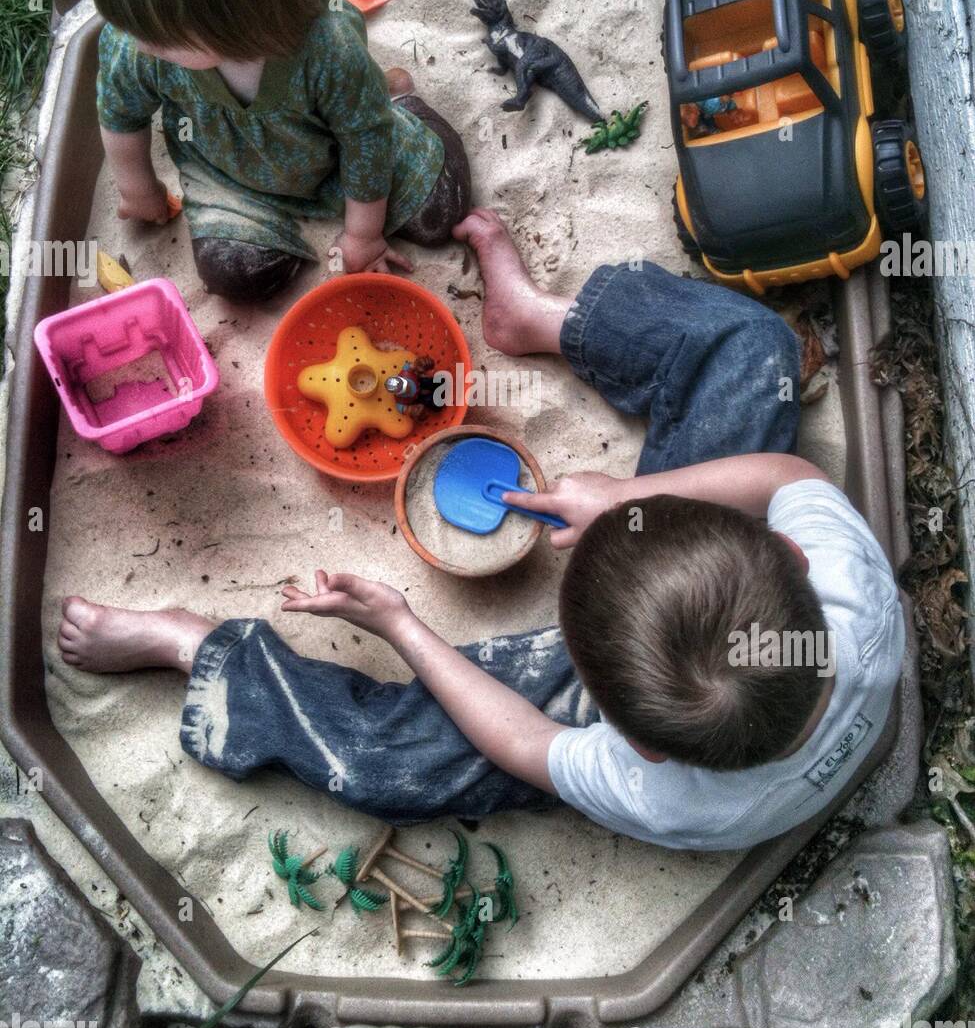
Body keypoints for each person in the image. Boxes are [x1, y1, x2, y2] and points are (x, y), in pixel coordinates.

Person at [56, 211, 904, 850]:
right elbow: (793, 480)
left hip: (672, 705)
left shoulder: (659, 793)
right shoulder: (853, 595)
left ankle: (200, 651)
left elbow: (529, 744)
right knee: (754, 348)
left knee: (392, 764)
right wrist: (619, 500)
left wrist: (401, 624)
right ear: (784, 552)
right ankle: (537, 318)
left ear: (625, 738)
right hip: (696, 659)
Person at [88, 0, 471, 302]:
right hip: (227, 170)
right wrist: (138, 188)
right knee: (235, 276)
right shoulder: (138, 44)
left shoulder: (327, 51)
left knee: (442, 212)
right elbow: (120, 114)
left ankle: (399, 98)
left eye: (157, 32)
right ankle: (374, 103)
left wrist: (363, 236)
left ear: (236, 22)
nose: (135, 38)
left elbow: (366, 142)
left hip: (334, 158)